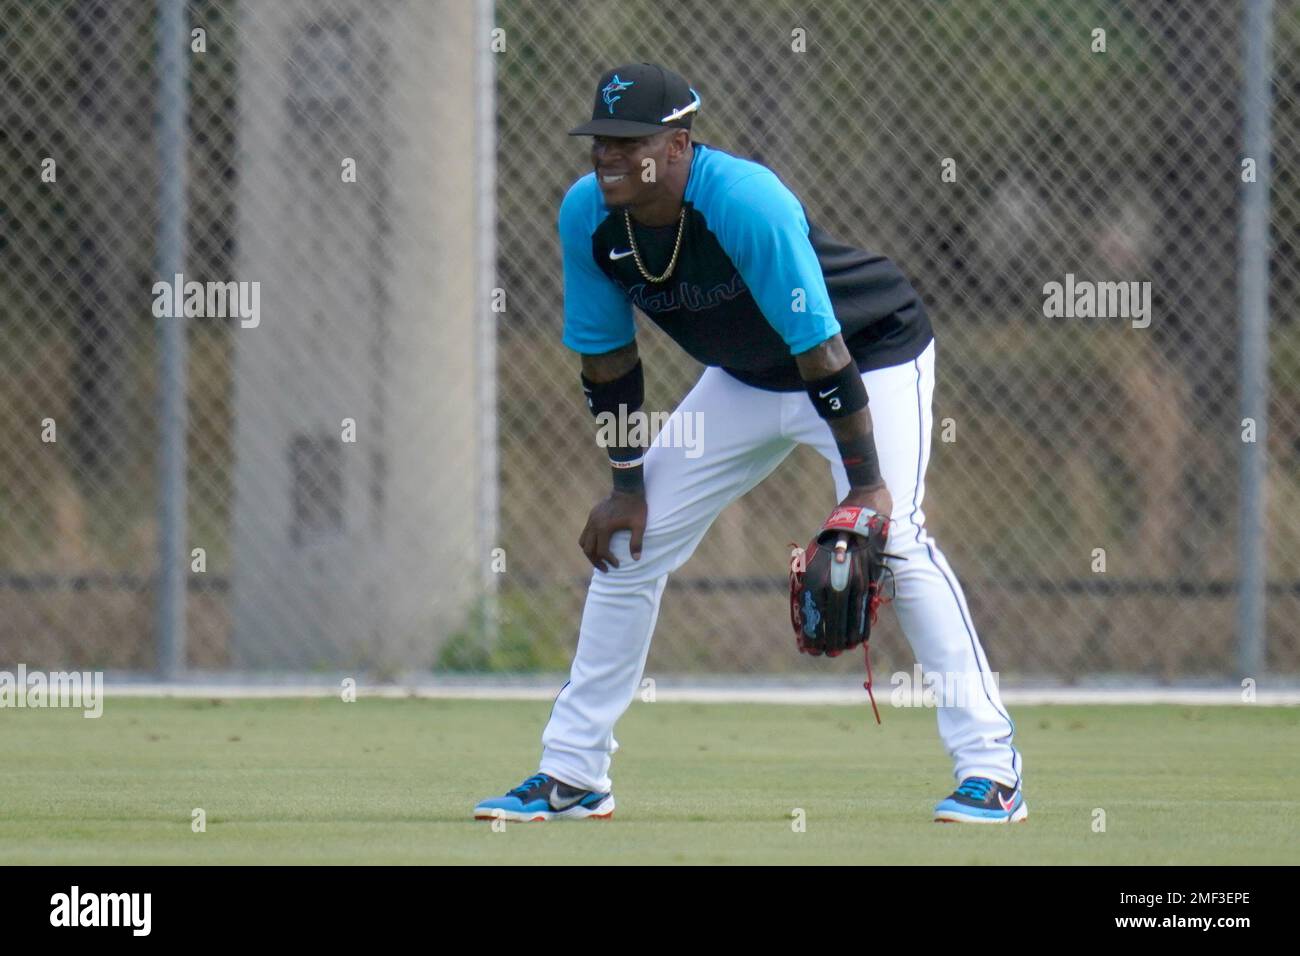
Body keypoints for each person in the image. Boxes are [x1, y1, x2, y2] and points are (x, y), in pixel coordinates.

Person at [474, 63, 1025, 824]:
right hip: (747, 379)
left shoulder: (744, 201)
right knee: (631, 544)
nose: (607, 155)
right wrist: (627, 484)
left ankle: (992, 770)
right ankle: (573, 772)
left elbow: (822, 350)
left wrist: (866, 489)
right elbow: (608, 361)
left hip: (866, 356)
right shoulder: (589, 214)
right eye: (600, 140)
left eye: (628, 142)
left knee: (895, 540)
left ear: (677, 145)